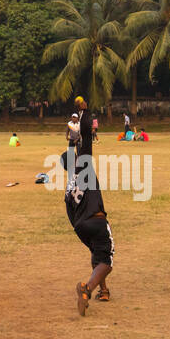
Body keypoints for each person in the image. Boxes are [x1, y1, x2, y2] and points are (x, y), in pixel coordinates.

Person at [63, 98, 113, 315]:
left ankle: (104, 290)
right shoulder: (84, 167)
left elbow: (71, 218)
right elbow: (86, 141)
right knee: (107, 260)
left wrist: (71, 142)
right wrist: (84, 113)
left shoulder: (67, 190)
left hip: (80, 227)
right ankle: (87, 289)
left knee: (96, 251)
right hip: (97, 220)